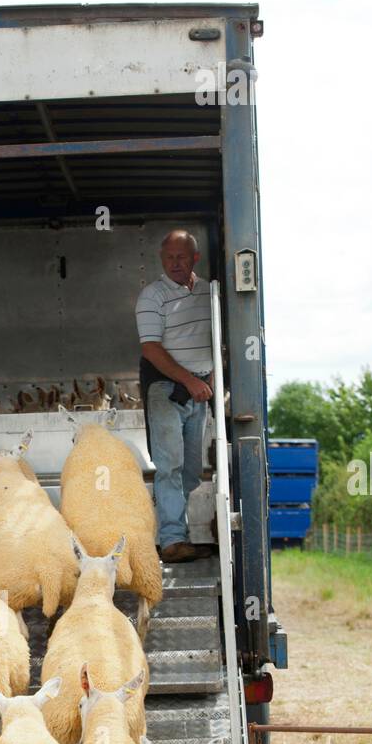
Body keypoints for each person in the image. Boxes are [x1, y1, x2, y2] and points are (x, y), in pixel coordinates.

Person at [136, 230, 214, 563]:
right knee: (169, 467)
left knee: (191, 470)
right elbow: (151, 348)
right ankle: (171, 540)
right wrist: (189, 380)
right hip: (165, 389)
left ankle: (170, 527)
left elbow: (221, 335)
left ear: (195, 257)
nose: (174, 263)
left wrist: (213, 373)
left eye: (181, 257)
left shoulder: (210, 292)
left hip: (200, 390)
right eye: (168, 257)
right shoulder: (151, 296)